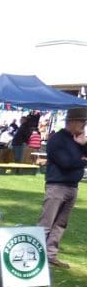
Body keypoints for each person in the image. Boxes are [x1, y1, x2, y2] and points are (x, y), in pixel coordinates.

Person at [37, 106, 87, 269]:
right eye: (82, 122)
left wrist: (85, 144)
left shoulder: (78, 139)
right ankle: (35, 256)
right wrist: (83, 161)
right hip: (57, 186)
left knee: (60, 224)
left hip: (72, 187)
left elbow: (75, 161)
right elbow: (66, 163)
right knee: (46, 224)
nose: (84, 126)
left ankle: (51, 255)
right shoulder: (57, 139)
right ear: (72, 121)